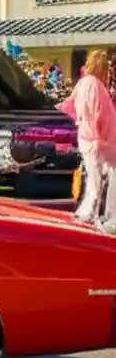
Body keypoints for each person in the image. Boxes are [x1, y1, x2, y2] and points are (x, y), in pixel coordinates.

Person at [58, 49, 116, 231]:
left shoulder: (83, 83)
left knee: (94, 178)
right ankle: (106, 217)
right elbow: (102, 116)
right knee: (106, 177)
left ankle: (87, 213)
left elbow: (69, 105)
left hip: (86, 138)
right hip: (99, 140)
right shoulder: (97, 87)